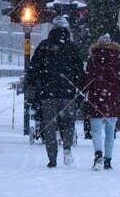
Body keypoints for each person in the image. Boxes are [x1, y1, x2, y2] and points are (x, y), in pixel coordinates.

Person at [27, 22, 84, 168]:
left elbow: (33, 70)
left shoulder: (44, 46)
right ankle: (67, 148)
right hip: (68, 94)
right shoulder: (72, 48)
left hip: (48, 94)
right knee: (68, 123)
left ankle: (52, 158)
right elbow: (80, 72)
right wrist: (79, 89)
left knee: (49, 126)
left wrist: (35, 87)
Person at [83, 33, 120, 170]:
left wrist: (85, 91)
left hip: (96, 99)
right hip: (113, 100)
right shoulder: (119, 61)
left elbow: (87, 81)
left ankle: (98, 154)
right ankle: (108, 160)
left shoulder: (92, 60)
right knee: (110, 133)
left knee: (96, 131)